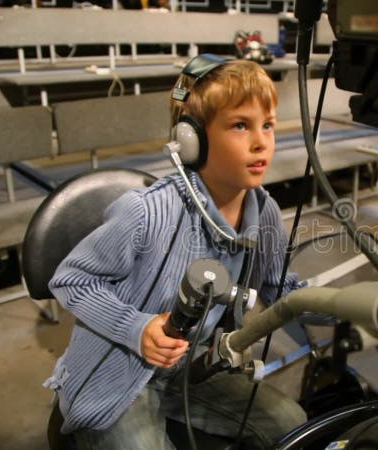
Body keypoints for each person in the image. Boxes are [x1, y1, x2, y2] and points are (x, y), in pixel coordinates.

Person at [43, 56, 308, 449]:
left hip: (189, 364)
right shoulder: (146, 211)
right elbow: (72, 280)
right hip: (119, 363)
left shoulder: (264, 211)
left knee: (293, 424)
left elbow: (278, 290)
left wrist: (344, 304)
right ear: (192, 139)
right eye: (240, 125)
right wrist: (136, 328)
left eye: (267, 125)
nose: (261, 142)